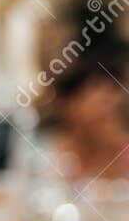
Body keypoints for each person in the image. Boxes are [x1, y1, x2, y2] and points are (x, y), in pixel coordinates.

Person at [45, 54, 129, 185]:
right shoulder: (47, 157)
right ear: (67, 105)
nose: (109, 100)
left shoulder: (125, 153)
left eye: (114, 88)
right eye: (95, 86)